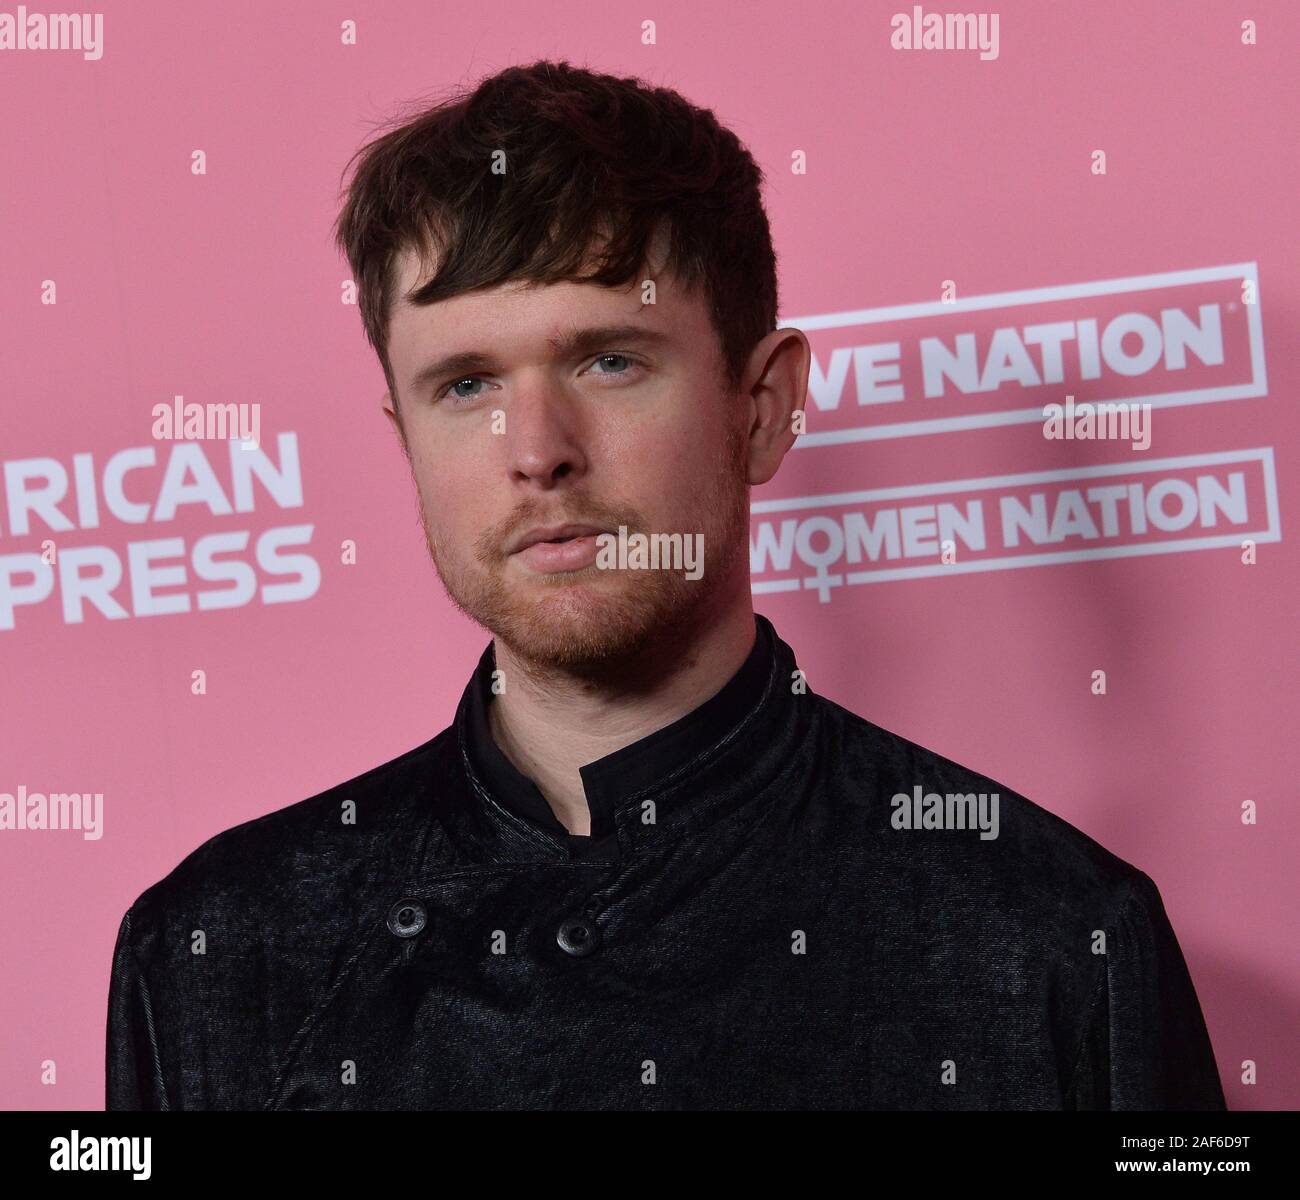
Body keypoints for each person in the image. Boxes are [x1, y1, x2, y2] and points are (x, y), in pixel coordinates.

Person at [106, 59, 1225, 1111]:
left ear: (764, 406)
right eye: (465, 384)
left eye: (609, 360)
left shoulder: (1054, 936)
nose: (535, 448)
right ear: (404, 438)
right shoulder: (219, 948)